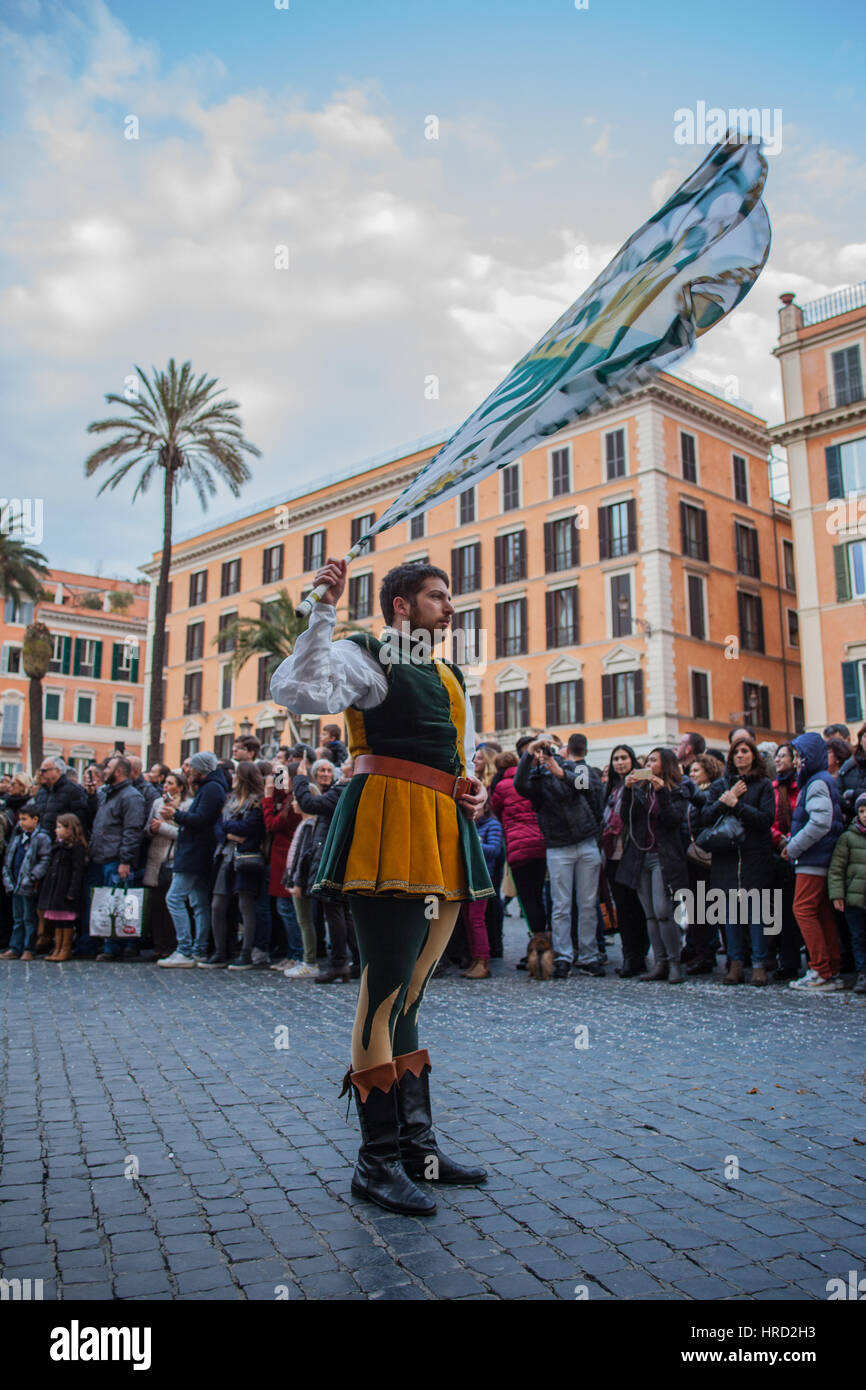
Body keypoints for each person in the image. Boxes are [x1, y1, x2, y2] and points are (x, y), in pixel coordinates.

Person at [270, 557, 491, 1216]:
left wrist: (470, 788)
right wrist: (322, 606)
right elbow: (298, 688)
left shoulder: (448, 673)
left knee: (413, 993)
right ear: (400, 604)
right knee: (384, 987)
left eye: (448, 596)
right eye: (435, 595)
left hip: (443, 828)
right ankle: (377, 1161)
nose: (448, 607)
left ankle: (417, 1148)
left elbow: (460, 748)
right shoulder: (366, 654)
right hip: (389, 823)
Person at [514, 734, 602, 979]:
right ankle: (563, 956)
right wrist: (528, 754)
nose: (545, 755)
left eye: (547, 750)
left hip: (585, 841)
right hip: (557, 846)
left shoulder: (571, 768)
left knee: (587, 904)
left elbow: (590, 786)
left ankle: (588, 955)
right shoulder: (535, 778)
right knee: (561, 905)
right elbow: (519, 785)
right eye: (540, 753)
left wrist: (561, 772)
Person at [701, 735, 776, 986]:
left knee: (756, 914)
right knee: (730, 914)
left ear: (754, 755)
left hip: (754, 856)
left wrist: (738, 805)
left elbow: (766, 820)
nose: (740, 756)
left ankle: (758, 964)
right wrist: (727, 799)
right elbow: (706, 817)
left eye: (745, 751)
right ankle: (735, 963)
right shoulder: (720, 785)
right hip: (726, 858)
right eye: (736, 752)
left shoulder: (764, 785)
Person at [617, 748, 691, 983]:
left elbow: (673, 820)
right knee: (649, 913)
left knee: (662, 910)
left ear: (665, 764)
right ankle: (659, 962)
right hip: (640, 856)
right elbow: (625, 816)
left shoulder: (677, 791)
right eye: (647, 759)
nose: (648, 763)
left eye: (653, 760)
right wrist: (628, 791)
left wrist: (661, 792)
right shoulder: (641, 790)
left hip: (663, 856)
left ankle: (674, 962)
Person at [783, 733, 844, 991]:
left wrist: (793, 847)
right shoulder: (821, 781)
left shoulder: (817, 783)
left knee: (804, 910)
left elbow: (820, 822)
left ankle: (820, 970)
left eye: (798, 756)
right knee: (819, 912)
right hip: (819, 856)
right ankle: (829, 968)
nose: (795, 762)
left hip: (813, 858)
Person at [159, 751, 227, 967]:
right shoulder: (211, 788)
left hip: (194, 852)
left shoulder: (211, 789)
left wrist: (175, 815)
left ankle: (185, 950)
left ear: (201, 769)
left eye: (192, 767)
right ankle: (197, 949)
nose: (188, 770)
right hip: (197, 851)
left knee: (175, 898)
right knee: (198, 902)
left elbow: (200, 820)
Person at [291, 758, 354, 983]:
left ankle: (340, 963)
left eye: (346, 761)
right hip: (337, 856)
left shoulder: (345, 788)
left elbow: (309, 805)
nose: (341, 765)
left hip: (333, 857)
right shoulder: (346, 788)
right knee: (343, 913)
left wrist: (299, 778)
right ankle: (352, 961)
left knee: (335, 910)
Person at [79, 755, 147, 961]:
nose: (103, 772)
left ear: (118, 772)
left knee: (117, 903)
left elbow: (132, 830)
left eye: (107, 768)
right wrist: (91, 797)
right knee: (99, 904)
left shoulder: (132, 797)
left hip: (115, 858)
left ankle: (113, 947)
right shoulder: (106, 794)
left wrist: (125, 860)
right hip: (99, 856)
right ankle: (94, 944)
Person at [200, 762, 266, 970]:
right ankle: (220, 951)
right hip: (225, 855)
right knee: (218, 904)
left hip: (245, 858)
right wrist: (230, 832)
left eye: (236, 775)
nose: (233, 778)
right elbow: (218, 827)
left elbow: (251, 827)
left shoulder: (258, 802)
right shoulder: (230, 799)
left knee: (245, 906)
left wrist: (230, 829)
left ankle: (246, 952)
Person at [601, 745, 650, 977]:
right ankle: (629, 955)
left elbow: (639, 812)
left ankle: (639, 956)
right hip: (612, 854)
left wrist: (630, 789)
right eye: (616, 759)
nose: (620, 762)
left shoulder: (641, 783)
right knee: (622, 907)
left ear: (632, 760)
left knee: (637, 908)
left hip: (633, 852)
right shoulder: (609, 787)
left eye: (624, 758)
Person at [490, 750, 548, 940]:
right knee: (540, 895)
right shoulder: (531, 780)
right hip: (540, 842)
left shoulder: (500, 786)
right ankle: (549, 938)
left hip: (517, 847)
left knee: (527, 898)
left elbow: (496, 812)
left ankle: (538, 939)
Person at [143, 770, 192, 960]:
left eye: (171, 783)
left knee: (171, 904)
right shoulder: (157, 803)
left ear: (180, 787)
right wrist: (152, 828)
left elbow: (185, 834)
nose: (165, 786)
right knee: (156, 905)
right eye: (165, 783)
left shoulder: (188, 805)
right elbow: (148, 827)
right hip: (155, 857)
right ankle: (158, 944)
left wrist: (163, 827)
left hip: (174, 857)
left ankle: (173, 944)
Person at [262, 765, 303, 969]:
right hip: (282, 859)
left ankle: (297, 954)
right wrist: (277, 774)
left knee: (289, 910)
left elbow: (272, 824)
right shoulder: (288, 798)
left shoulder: (294, 804)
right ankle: (292, 953)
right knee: (286, 909)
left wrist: (268, 797)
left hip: (287, 860)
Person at [1, 801, 51, 960]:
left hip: (29, 884)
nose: (21, 822)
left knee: (29, 918)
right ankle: (15, 946)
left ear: (35, 819)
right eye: (20, 819)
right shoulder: (17, 836)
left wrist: (32, 877)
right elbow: (9, 858)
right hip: (15, 882)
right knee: (18, 918)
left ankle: (29, 947)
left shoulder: (41, 837)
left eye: (24, 819)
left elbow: (44, 860)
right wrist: (8, 878)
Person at [770, 743, 803, 981]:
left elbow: (803, 817)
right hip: (777, 853)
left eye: (784, 756)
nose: (779, 760)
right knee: (780, 912)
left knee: (800, 911)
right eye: (777, 756)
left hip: (801, 852)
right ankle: (786, 961)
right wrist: (779, 839)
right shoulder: (772, 788)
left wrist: (793, 841)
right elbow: (767, 817)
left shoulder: (801, 786)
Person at [459, 806, 503, 979]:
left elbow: (494, 851)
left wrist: (472, 841)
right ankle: (475, 959)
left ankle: (483, 961)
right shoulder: (468, 823)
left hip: (482, 876)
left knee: (476, 919)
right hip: (465, 875)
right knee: (468, 919)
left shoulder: (492, 824)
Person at [828, 792, 866, 994]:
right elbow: (837, 868)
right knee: (857, 937)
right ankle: (862, 973)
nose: (865, 814)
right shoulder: (848, 837)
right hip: (854, 897)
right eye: (861, 810)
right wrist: (837, 894)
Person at [282, 791, 321, 980]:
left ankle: (309, 961)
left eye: (296, 800)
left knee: (304, 921)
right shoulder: (305, 824)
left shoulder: (309, 825)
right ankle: (307, 959)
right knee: (303, 920)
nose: (293, 804)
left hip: (301, 881)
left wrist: (297, 881)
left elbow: (303, 857)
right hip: (297, 879)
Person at [39, 813, 87, 963]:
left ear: (69, 829)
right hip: (56, 887)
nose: (56, 830)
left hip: (66, 888)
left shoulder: (77, 848)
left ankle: (65, 948)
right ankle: (57, 947)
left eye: (59, 827)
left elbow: (77, 871)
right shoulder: (58, 846)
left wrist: (72, 891)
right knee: (57, 920)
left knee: (66, 920)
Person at [837, 724, 866, 822]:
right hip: (853, 826)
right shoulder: (848, 767)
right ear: (861, 740)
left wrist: (853, 794)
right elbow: (839, 797)